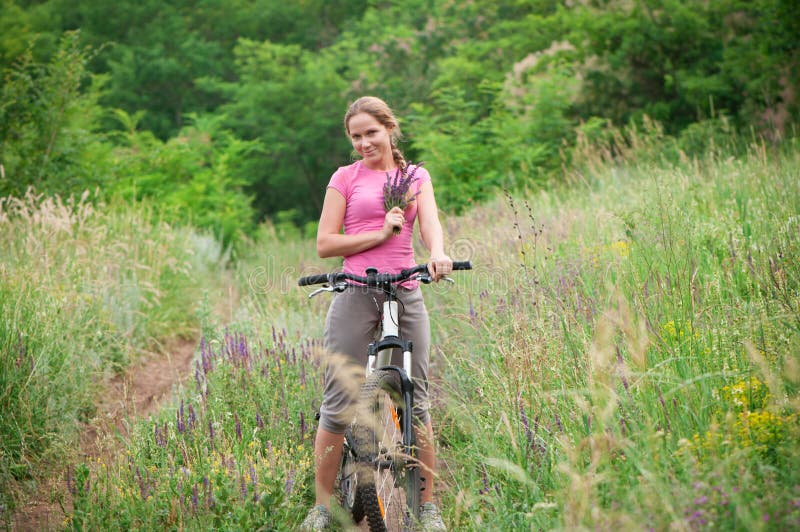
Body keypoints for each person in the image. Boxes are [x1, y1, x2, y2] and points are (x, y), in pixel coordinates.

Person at [300, 96, 453, 531]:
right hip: (356, 292)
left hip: (405, 291)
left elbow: (430, 226)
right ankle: (322, 508)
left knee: (417, 403)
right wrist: (378, 232)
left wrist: (438, 253)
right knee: (337, 405)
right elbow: (326, 244)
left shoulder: (414, 176)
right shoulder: (344, 178)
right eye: (356, 136)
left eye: (371, 132)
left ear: (389, 129)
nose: (364, 142)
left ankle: (427, 508)